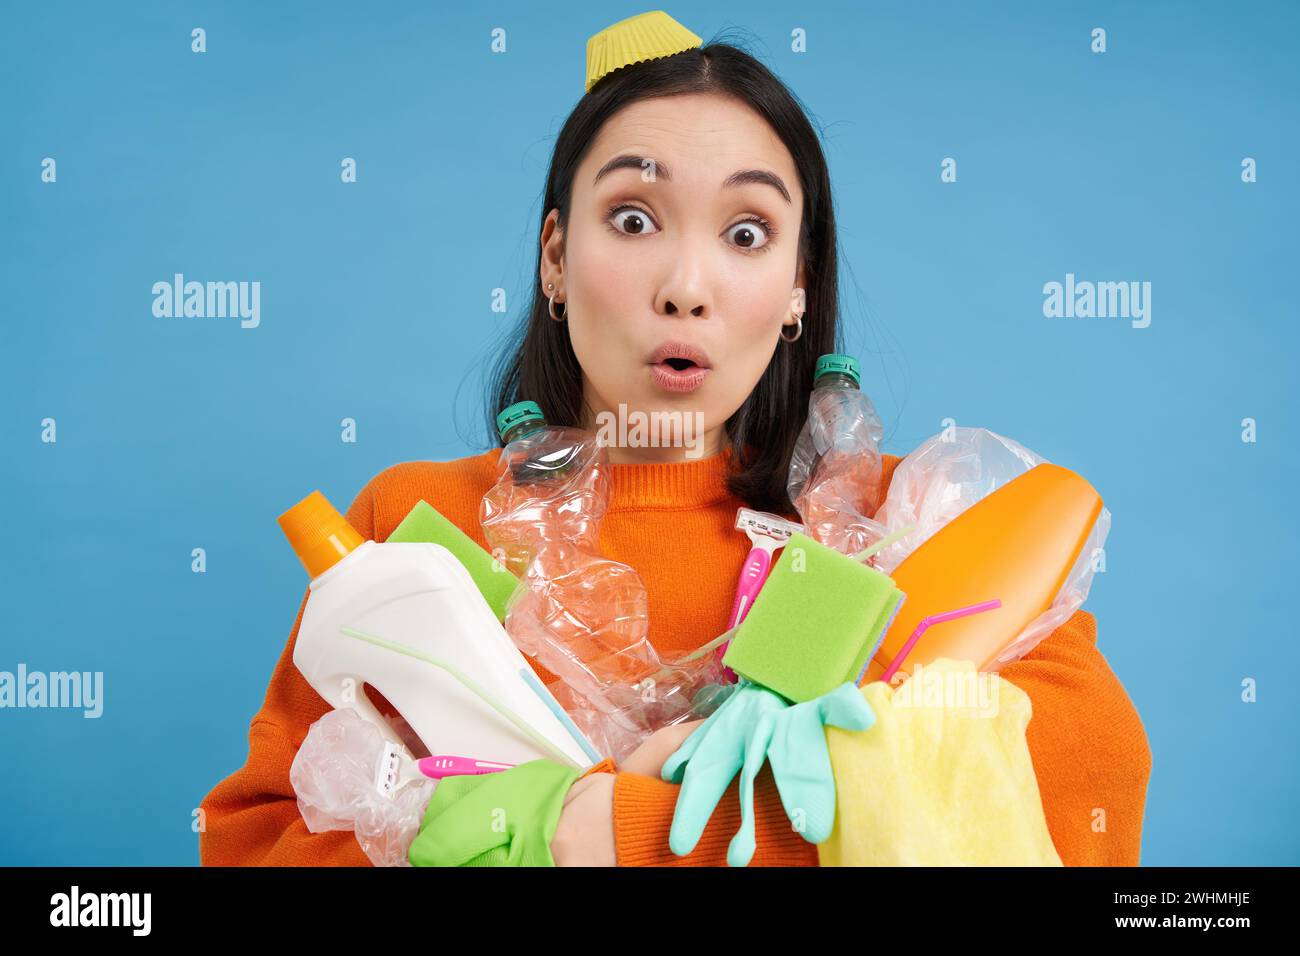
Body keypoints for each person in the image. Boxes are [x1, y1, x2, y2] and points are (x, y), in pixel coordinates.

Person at [200, 13, 1151, 867]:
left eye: (746, 232)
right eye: (632, 218)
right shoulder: (421, 527)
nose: (687, 284)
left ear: (797, 290)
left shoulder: (902, 528)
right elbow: (250, 845)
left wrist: (622, 838)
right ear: (556, 258)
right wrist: (510, 845)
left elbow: (1091, 782)